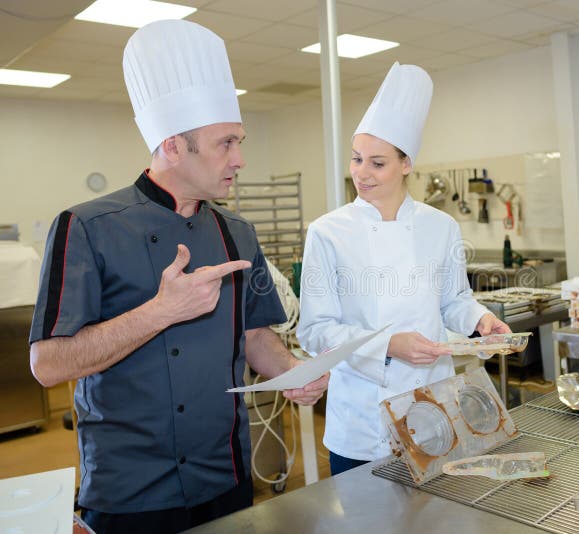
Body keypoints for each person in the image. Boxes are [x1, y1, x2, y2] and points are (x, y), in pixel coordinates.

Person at [28, 19, 328, 533]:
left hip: (227, 477)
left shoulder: (238, 231)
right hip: (131, 489)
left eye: (240, 141)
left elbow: (255, 334)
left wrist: (293, 371)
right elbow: (48, 364)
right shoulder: (86, 228)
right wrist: (161, 310)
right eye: (225, 143)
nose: (240, 159)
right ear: (172, 146)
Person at [296, 62, 510, 476]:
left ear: (406, 163)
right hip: (361, 417)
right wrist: (389, 345)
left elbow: (454, 300)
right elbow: (315, 329)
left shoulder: (440, 226)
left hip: (432, 407)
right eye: (357, 159)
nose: (361, 173)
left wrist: (481, 320)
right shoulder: (327, 232)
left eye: (377, 163)